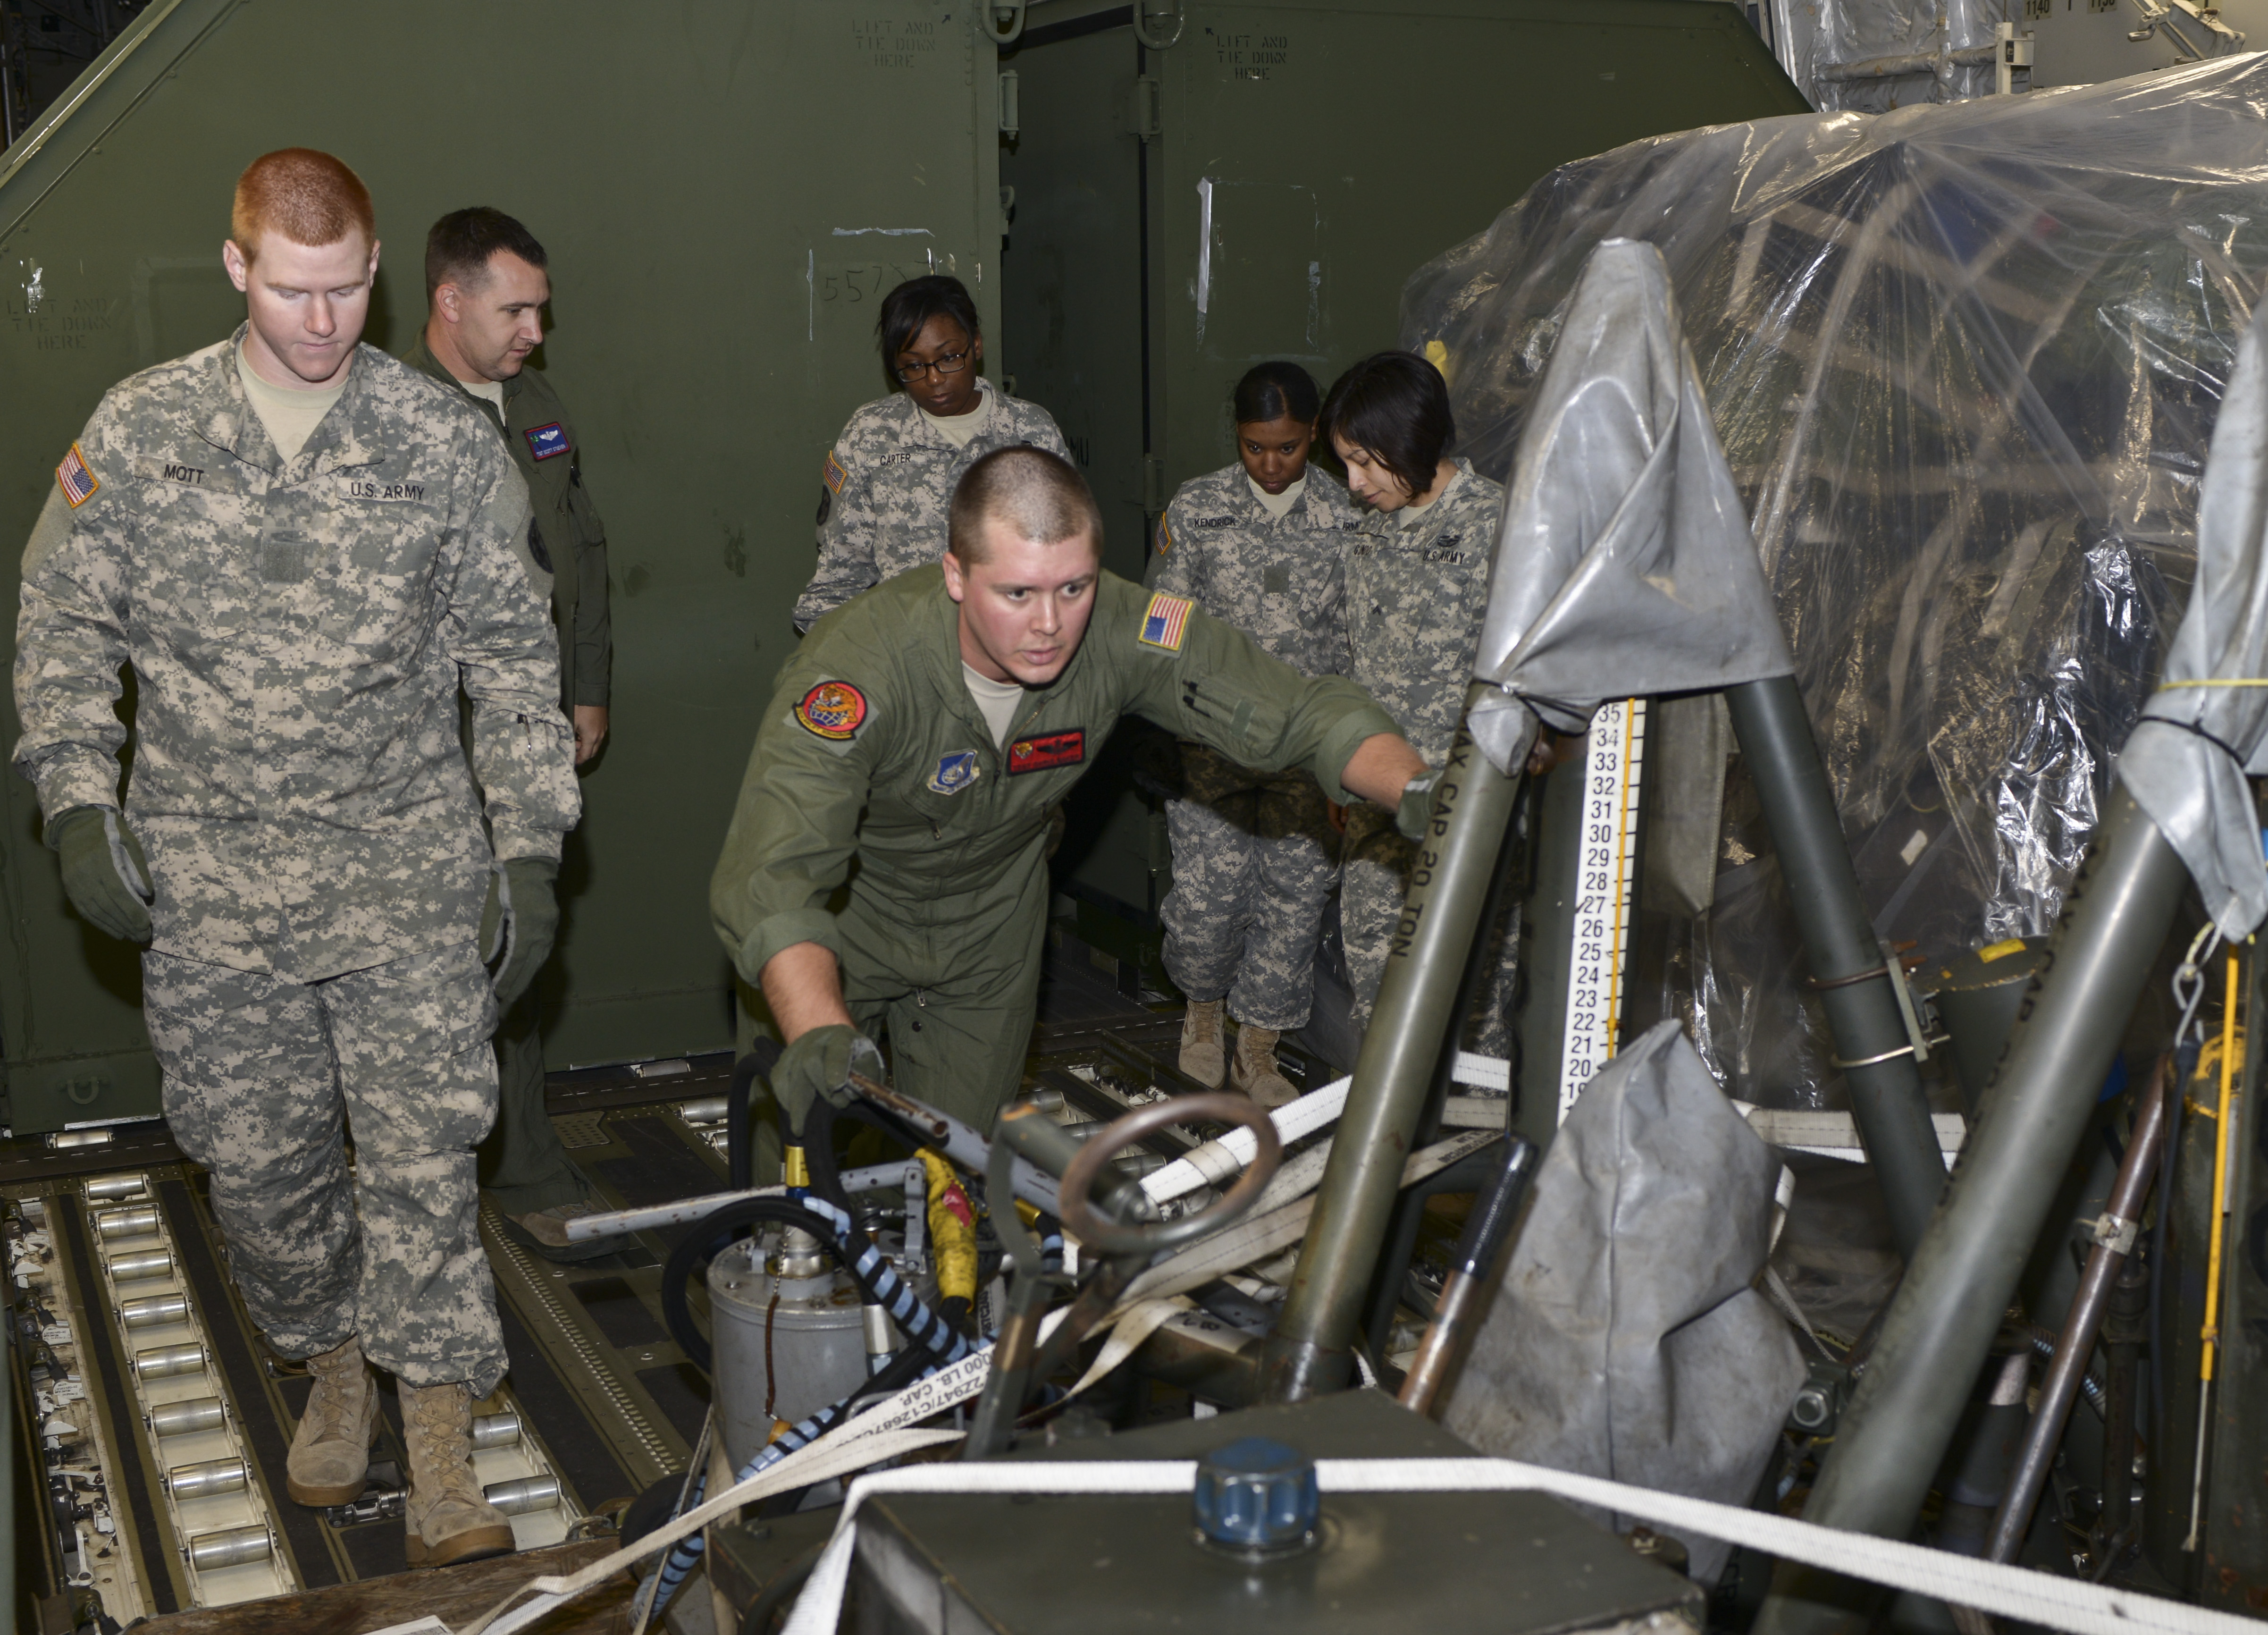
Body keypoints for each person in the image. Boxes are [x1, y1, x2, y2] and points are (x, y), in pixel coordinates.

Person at [12, 150, 579, 1568]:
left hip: (407, 876)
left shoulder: (442, 443)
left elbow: (515, 661)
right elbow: (61, 621)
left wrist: (528, 850)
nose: (322, 321)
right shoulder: (143, 432)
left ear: (376, 272)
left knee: (426, 1161)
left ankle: (439, 1426)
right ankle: (330, 1352)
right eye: (291, 289)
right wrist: (80, 801)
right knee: (260, 1177)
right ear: (238, 269)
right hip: (215, 895)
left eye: (345, 290)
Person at [712, 447, 1432, 1149]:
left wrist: (1427, 791)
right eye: (1017, 593)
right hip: (848, 919)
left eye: (1074, 588)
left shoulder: (1121, 624)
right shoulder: (858, 666)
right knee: (796, 1168)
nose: (1050, 625)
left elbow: (1298, 711)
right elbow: (778, 874)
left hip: (990, 927)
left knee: (956, 1173)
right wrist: (816, 1031)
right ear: (956, 575)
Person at [402, 207, 613, 1261]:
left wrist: (589, 685)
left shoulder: (532, 400)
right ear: (451, 299)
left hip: (530, 727)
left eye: (540, 308)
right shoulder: (390, 415)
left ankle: (526, 1159)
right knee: (425, 965)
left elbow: (581, 540)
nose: (535, 327)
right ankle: (420, 1184)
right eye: (516, 308)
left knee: (522, 940)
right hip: (429, 744)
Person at [1146, 362, 1352, 1106]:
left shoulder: (1347, 518)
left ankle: (1258, 1047)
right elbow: (1163, 621)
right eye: (1253, 447)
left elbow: (1362, 641)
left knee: (1292, 904)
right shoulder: (1198, 508)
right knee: (1207, 903)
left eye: (1289, 448)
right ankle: (1202, 1018)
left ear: (1315, 438)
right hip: (1213, 750)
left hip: (1306, 754)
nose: (1270, 464)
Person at [1324, 351, 1514, 1049]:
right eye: (1344, 463)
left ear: (1411, 439)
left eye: (1366, 462)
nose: (1353, 483)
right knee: (1376, 995)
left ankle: (1473, 1149)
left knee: (1474, 1003)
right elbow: (1352, 659)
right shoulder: (1366, 536)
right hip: (1378, 806)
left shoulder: (1500, 528)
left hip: (1464, 807)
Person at [792, 275, 1069, 630]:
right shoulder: (872, 434)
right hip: (908, 656)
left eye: (949, 357)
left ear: (977, 346)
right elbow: (840, 575)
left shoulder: (1031, 432)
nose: (934, 379)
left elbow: (1065, 559)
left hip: (1012, 649)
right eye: (914, 366)